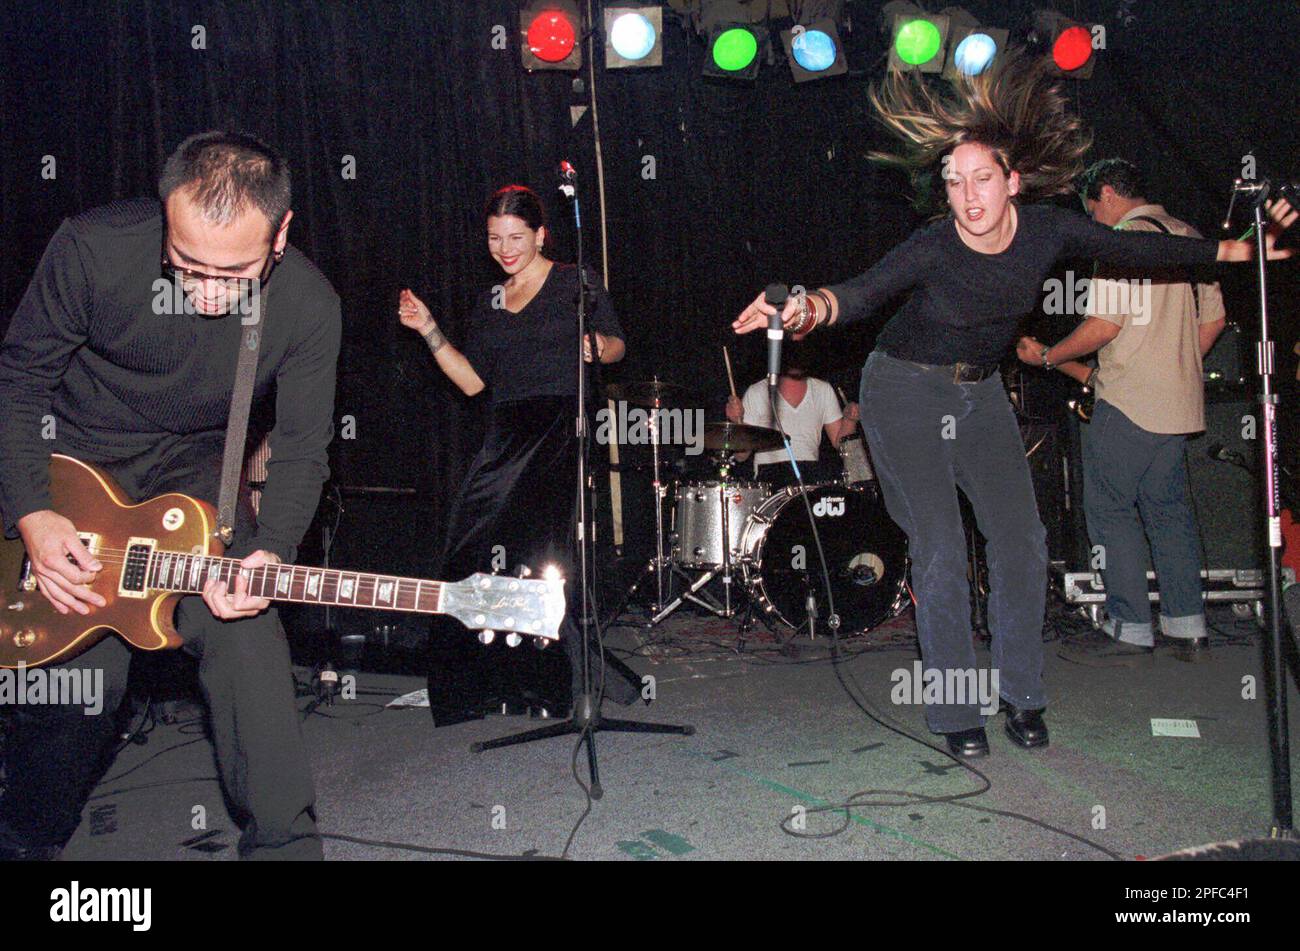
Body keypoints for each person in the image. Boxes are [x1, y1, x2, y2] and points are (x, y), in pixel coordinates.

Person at [732, 53, 1294, 758]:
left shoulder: (1050, 232)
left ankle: (1023, 696)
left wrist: (1250, 252)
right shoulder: (934, 246)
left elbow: (1142, 251)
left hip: (980, 395)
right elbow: (858, 295)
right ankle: (955, 708)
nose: (968, 196)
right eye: (955, 182)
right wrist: (804, 307)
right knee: (939, 546)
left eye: (982, 180)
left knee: (1022, 541)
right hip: (903, 391)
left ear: (1012, 183)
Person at [0, 131, 341, 859]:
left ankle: (287, 848)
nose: (209, 292)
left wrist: (273, 548)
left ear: (281, 234)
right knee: (84, 684)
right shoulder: (93, 249)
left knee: (249, 635)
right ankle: (22, 841)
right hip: (73, 473)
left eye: (235, 273)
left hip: (195, 483)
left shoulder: (308, 305)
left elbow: (306, 447)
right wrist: (32, 509)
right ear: (165, 219)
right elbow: (19, 380)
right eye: (187, 266)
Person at [1017, 159, 1285, 657]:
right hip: (1178, 403)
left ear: (1109, 193)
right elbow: (1215, 320)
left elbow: (1103, 327)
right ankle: (1187, 623)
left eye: (1091, 205)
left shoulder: (1122, 243)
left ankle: (1130, 625)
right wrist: (1176, 363)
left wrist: (1048, 355)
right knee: (1169, 512)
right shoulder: (1187, 236)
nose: (1093, 218)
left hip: (1127, 403)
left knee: (1111, 511)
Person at [399, 184, 627, 723]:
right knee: (470, 549)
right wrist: (429, 330)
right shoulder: (492, 301)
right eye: (495, 238)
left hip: (559, 429)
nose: (504, 248)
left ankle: (548, 686)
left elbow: (617, 344)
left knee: (541, 558)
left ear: (541, 235)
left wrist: (598, 347)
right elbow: (474, 383)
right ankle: (483, 685)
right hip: (506, 436)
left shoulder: (575, 282)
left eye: (516, 237)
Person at [724, 341, 859, 487]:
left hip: (811, 476)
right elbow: (741, 456)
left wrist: (849, 420)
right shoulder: (757, 392)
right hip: (770, 479)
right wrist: (737, 422)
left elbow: (840, 444)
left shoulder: (823, 390)